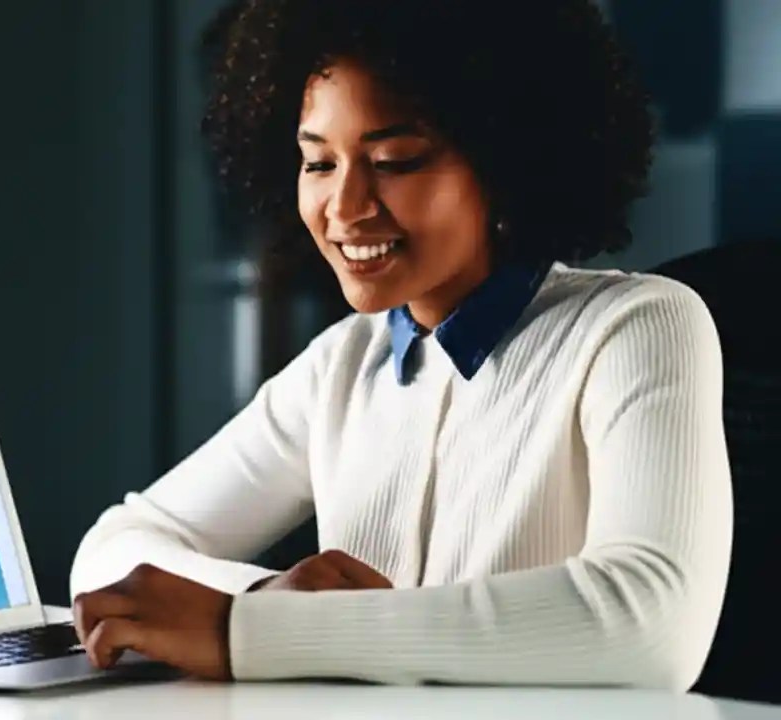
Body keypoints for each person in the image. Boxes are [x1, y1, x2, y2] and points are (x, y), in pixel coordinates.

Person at [68, 0, 732, 690]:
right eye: (318, 163)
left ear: (506, 161)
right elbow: (113, 552)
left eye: (395, 161)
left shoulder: (635, 328)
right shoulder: (340, 366)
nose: (345, 207)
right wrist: (265, 600)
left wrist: (254, 632)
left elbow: (652, 626)